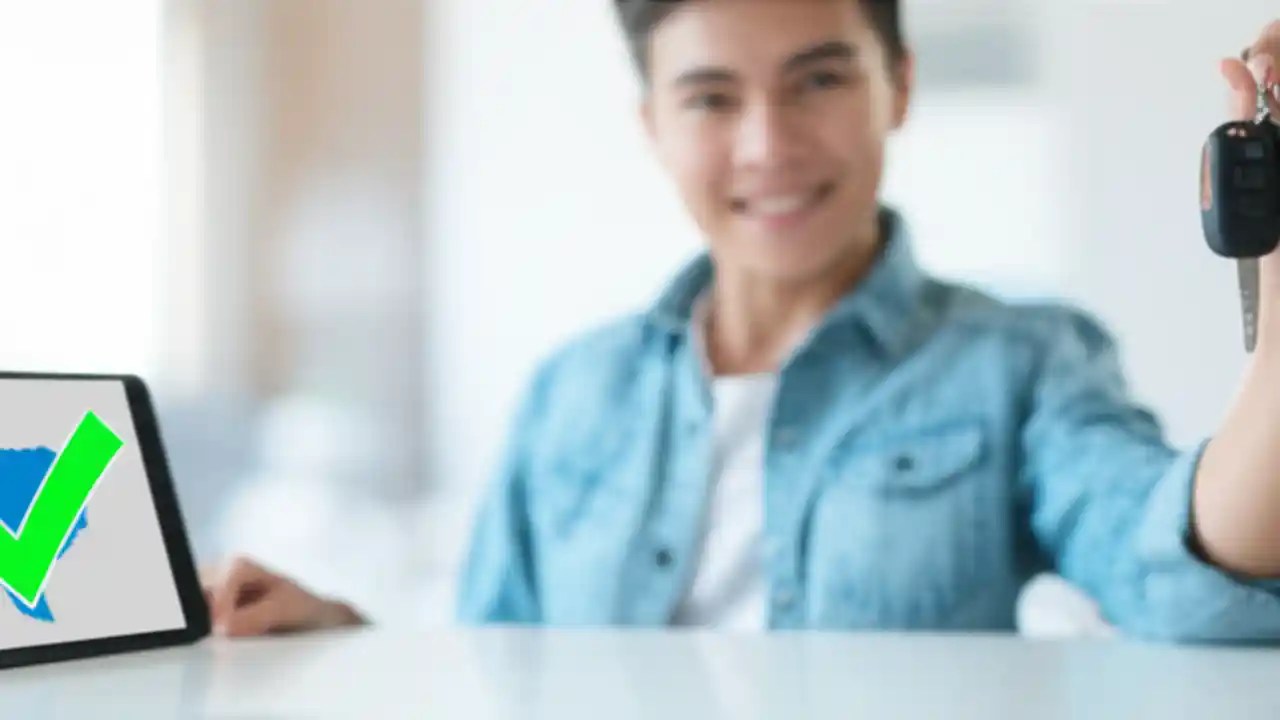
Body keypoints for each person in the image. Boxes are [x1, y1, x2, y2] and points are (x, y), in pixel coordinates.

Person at [203, 1, 1280, 641]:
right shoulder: (570, 391)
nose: (767, 145)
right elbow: (489, 668)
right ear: (651, 126)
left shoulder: (1026, 360)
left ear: (895, 87)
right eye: (712, 99)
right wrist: (334, 640)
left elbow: (1194, 583)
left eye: (816, 80)